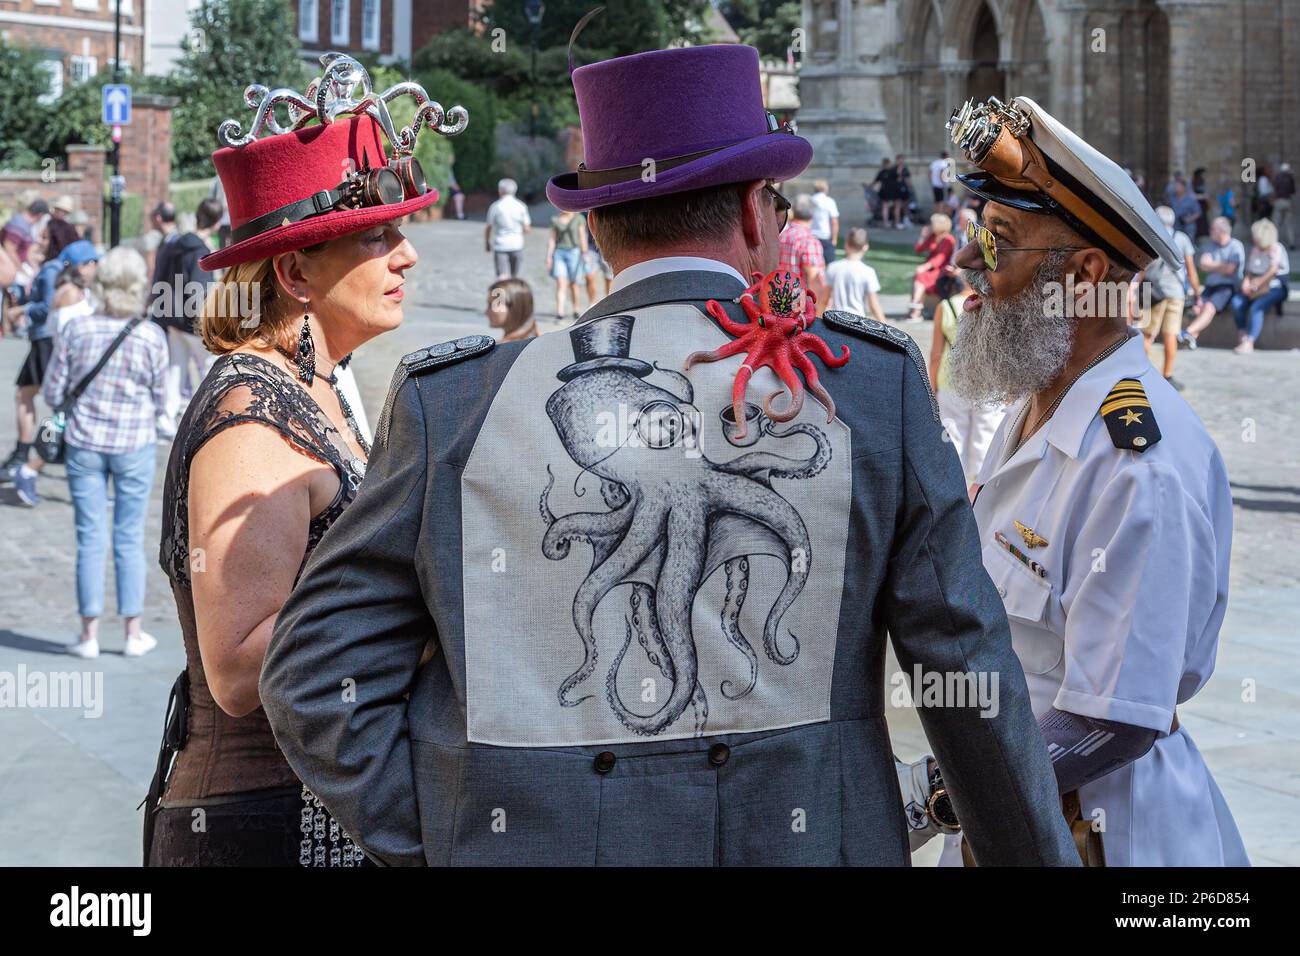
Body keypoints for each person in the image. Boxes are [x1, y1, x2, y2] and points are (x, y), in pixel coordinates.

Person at [260, 42, 1077, 868]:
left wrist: (455, 830)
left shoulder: (456, 403)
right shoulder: (867, 389)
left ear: (595, 221)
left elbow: (312, 678)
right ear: (758, 211)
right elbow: (967, 675)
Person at [142, 57, 460, 866]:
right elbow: (241, 667)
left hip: (322, 806)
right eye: (377, 237)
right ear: (293, 273)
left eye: (401, 233)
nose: (406, 257)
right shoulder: (252, 410)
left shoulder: (319, 386)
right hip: (257, 824)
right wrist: (423, 585)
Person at [931, 93, 1247, 865]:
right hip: (1009, 815)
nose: (971, 261)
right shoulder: (1040, 406)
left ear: (1088, 272)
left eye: (1001, 240)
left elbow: (1117, 720)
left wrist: (934, 797)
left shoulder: (1139, 463)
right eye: (979, 231)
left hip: (1098, 830)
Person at [41, 247, 166, 653]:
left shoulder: (76, 330)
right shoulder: (150, 335)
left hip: (84, 442)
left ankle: (88, 633)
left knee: (89, 536)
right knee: (129, 537)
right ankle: (132, 632)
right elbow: (163, 400)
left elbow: (52, 391)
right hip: (134, 443)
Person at [1, 239, 100, 489]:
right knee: (63, 418)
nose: (97, 267)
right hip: (65, 359)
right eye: (93, 263)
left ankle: (29, 462)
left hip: (61, 357)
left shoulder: (71, 288)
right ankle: (29, 466)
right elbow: (60, 323)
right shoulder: (70, 292)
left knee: (59, 416)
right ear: (83, 266)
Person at [148, 197, 223, 434]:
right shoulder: (200, 251)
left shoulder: (176, 243)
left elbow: (161, 276)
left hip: (172, 317)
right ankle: (204, 419)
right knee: (208, 369)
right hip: (193, 323)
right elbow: (199, 292)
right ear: (217, 222)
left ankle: (166, 417)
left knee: (176, 369)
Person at [928, 269, 1004, 484]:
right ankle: (981, 487)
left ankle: (953, 485)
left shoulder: (946, 306)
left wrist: (932, 386)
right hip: (988, 380)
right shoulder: (994, 303)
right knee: (986, 435)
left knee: (952, 436)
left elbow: (936, 353)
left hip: (952, 380)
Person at [1131, 206, 1198, 389]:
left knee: (1146, 334)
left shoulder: (1150, 237)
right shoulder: (1182, 238)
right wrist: (1197, 292)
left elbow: (1142, 267)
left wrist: (1135, 285)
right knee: (1171, 335)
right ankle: (1168, 375)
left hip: (1152, 292)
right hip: (1176, 293)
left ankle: (1141, 374)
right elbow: (1190, 268)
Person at [1181, 215, 1246, 348]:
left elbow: (1230, 269)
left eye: (1212, 229)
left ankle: (1186, 333)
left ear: (1221, 231)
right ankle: (1191, 338)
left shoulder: (1236, 246)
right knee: (1196, 307)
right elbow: (1203, 265)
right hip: (1211, 286)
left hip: (1227, 287)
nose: (1209, 231)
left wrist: (1214, 265)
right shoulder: (1210, 245)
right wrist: (1221, 266)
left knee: (1209, 307)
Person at [1229, 217, 1290, 354]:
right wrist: (1247, 282)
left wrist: (1258, 282)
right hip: (1255, 288)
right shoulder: (1255, 250)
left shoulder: (1276, 248)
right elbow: (1250, 271)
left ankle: (1249, 342)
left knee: (1256, 307)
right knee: (1236, 302)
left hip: (1275, 287)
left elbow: (1273, 270)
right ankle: (1242, 334)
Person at [825, 227, 887, 323]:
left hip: (836, 320)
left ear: (846, 245)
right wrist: (885, 325)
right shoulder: (868, 272)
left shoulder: (833, 267)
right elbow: (874, 305)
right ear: (865, 247)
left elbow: (824, 299)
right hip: (858, 322)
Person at [778, 193, 828, 309]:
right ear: (813, 214)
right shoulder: (809, 241)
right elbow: (814, 278)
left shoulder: (782, 236)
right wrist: (819, 310)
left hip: (781, 300)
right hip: (801, 306)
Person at [907, 213, 956, 320]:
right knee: (921, 277)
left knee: (922, 277)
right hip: (931, 268)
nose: (930, 225)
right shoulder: (933, 236)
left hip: (940, 269)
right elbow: (919, 249)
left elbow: (940, 258)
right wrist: (923, 236)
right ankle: (916, 310)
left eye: (932, 223)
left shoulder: (949, 239)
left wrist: (925, 267)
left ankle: (915, 307)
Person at [546, 208, 588, 319]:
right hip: (559, 253)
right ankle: (560, 312)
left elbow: (582, 236)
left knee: (574, 283)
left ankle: (576, 309)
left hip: (574, 252)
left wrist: (585, 253)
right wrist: (549, 256)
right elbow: (552, 239)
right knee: (560, 282)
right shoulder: (555, 219)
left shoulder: (578, 218)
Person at [485, 178, 531, 278]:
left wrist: (487, 242)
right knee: (514, 276)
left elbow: (489, 226)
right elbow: (527, 228)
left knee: (502, 276)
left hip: (500, 245)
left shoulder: (495, 206)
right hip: (517, 245)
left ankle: (501, 293)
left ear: (500, 190)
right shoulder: (521, 206)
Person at [486, 276, 538, 342]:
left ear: (514, 306)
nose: (486, 312)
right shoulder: (532, 337)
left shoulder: (509, 348)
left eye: (491, 305)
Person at [582, 212, 612, 305]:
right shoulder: (584, 213)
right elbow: (581, 232)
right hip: (591, 247)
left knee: (609, 278)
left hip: (607, 245)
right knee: (589, 276)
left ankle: (609, 304)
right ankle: (592, 304)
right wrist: (584, 251)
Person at [809, 179, 839, 265]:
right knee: (829, 265)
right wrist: (834, 239)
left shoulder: (811, 200)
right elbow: (834, 221)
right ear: (826, 189)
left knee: (813, 264)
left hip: (812, 236)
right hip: (825, 236)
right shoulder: (829, 201)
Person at [1274, 162, 1295, 249]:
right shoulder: (1290, 178)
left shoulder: (1278, 177)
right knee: (1289, 224)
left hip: (1279, 200)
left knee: (1276, 223)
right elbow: (1293, 190)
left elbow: (1275, 188)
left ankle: (1274, 241)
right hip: (1287, 201)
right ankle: (1291, 243)